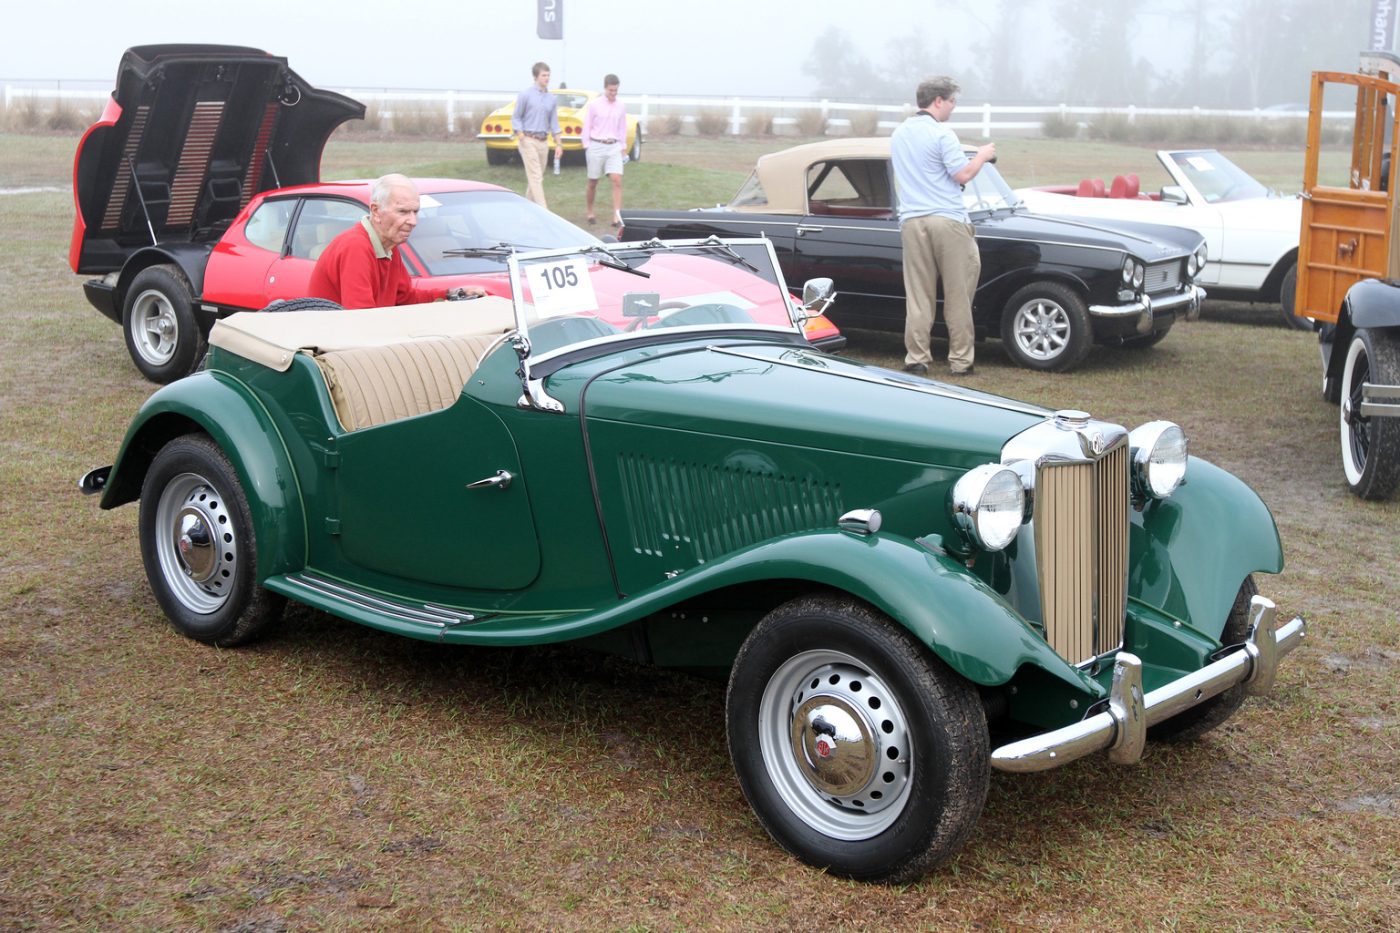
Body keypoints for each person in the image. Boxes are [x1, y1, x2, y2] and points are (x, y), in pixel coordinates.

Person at [889, 76, 995, 376]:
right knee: (958, 293)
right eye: (952, 102)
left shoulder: (899, 134)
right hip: (947, 219)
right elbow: (962, 175)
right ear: (938, 101)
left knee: (918, 294)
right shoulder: (942, 134)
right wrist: (983, 156)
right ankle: (961, 360)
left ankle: (917, 358)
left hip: (912, 221)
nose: (952, 108)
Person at [308, 174, 483, 309]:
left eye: (415, 212)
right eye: (403, 212)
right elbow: (361, 318)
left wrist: (453, 294)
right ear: (376, 211)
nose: (413, 221)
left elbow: (405, 299)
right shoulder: (356, 247)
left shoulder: (389, 247)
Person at [513, 62, 564, 209]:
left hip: (543, 142)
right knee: (535, 177)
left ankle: (526, 212)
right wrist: (521, 135)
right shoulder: (525, 95)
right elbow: (516, 117)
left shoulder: (551, 99)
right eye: (544, 75)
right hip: (528, 140)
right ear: (536, 77)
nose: (546, 78)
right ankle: (545, 211)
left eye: (548, 75)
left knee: (536, 179)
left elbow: (554, 123)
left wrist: (559, 144)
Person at [582, 74, 627, 228]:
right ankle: (590, 212)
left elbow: (622, 127)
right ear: (605, 88)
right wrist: (587, 145)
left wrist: (623, 147)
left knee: (616, 179)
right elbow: (587, 125)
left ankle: (616, 215)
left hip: (614, 145)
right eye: (610, 90)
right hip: (596, 145)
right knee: (593, 181)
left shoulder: (621, 106)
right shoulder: (594, 105)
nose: (613, 93)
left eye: (615, 90)